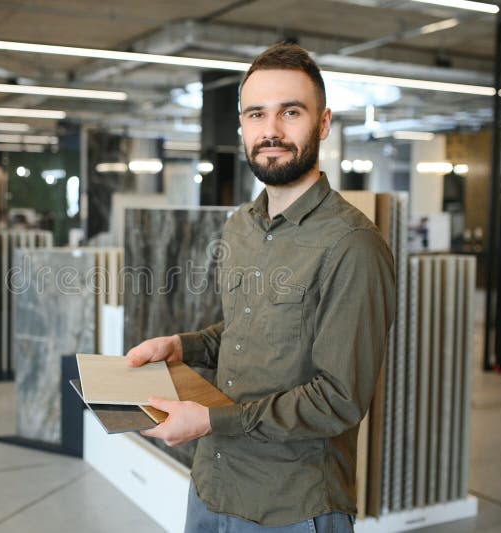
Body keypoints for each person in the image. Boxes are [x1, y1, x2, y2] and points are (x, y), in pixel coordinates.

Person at [125, 43, 396, 533]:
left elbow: (339, 398)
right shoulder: (241, 227)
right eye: (256, 114)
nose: (270, 131)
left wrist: (211, 421)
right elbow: (247, 328)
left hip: (291, 507)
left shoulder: (353, 245)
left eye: (290, 112)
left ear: (324, 123)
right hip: (212, 486)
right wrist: (181, 347)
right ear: (242, 126)